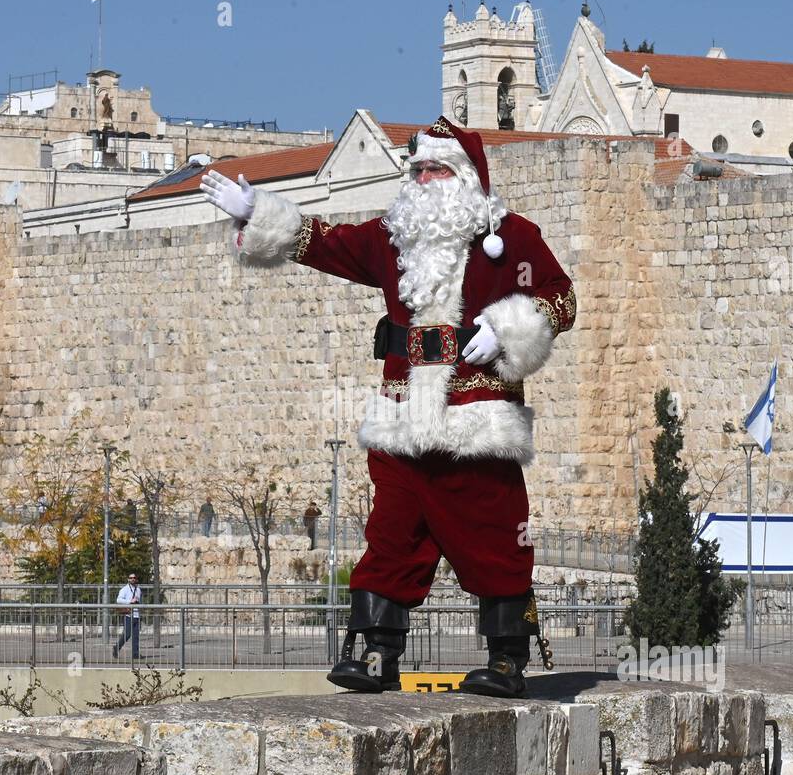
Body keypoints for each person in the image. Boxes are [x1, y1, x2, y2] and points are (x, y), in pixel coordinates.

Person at [203, 116, 574, 697]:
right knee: (392, 537)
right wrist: (258, 213)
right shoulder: (391, 238)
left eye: (436, 168)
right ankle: (376, 654)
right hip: (402, 418)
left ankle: (506, 659)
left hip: (475, 420)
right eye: (418, 168)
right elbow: (323, 242)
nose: (424, 179)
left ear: (465, 176)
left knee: (495, 537)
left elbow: (561, 299)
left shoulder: (512, 238)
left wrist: (508, 329)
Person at [112, 573, 143, 660]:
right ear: (128, 579)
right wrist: (130, 601)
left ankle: (135, 654)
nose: (133, 579)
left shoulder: (138, 590)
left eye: (134, 578)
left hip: (137, 615)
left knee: (136, 636)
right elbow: (119, 600)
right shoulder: (124, 589)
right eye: (131, 578)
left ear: (136, 579)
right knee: (127, 634)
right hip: (128, 615)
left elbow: (139, 601)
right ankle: (116, 647)